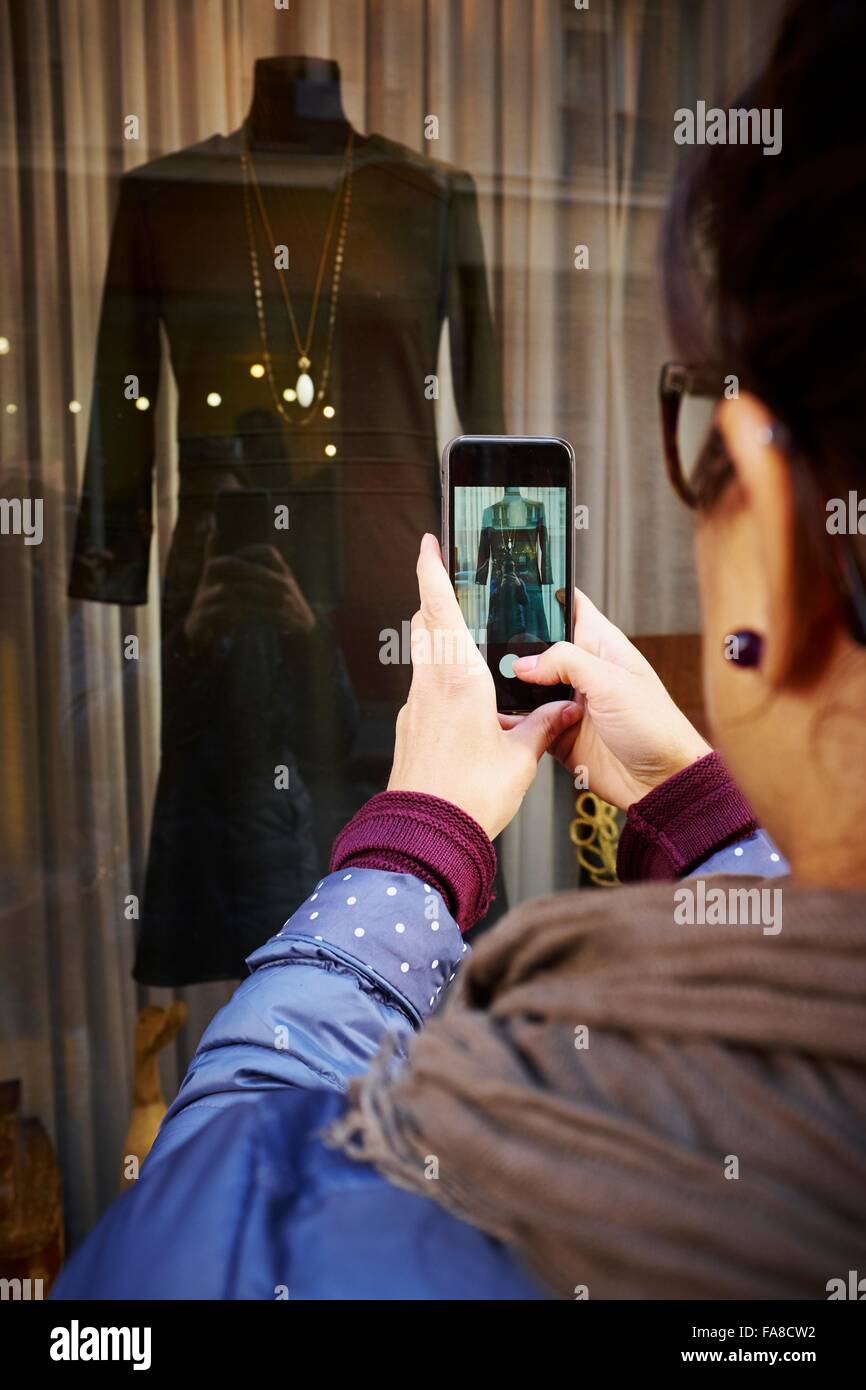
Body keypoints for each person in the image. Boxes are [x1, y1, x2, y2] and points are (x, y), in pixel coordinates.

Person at [53, 0, 866, 1300]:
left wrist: (418, 832)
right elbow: (125, 388)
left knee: (319, 915)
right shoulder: (167, 192)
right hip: (228, 612)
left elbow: (179, 1247)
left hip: (398, 624)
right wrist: (696, 810)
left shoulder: (431, 192)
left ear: (766, 523)